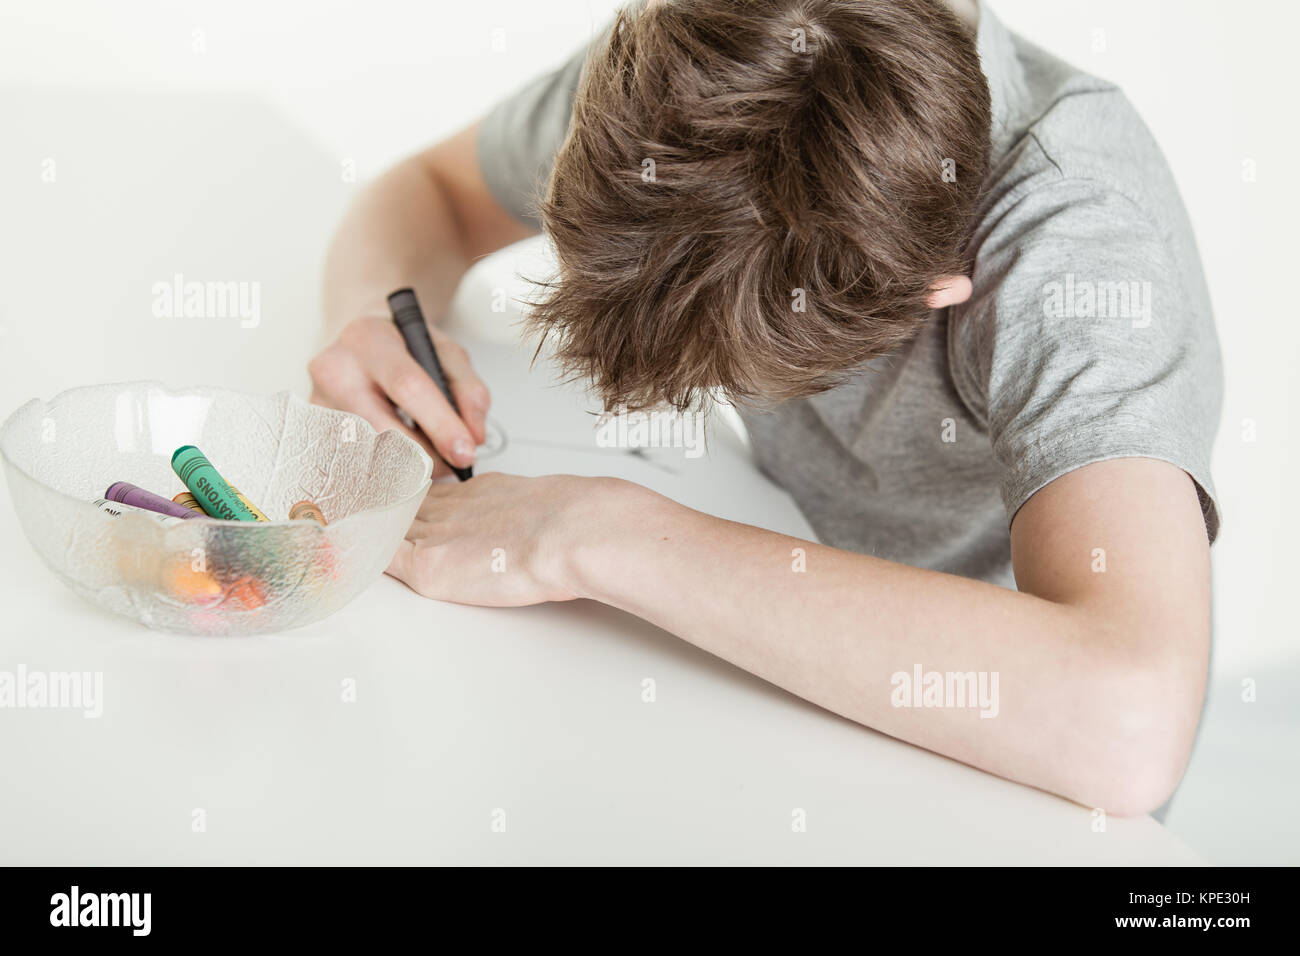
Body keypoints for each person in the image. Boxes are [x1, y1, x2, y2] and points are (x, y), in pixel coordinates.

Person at [308, 0, 1222, 817]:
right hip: (753, 653)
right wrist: (374, 317)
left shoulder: (1077, 237)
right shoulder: (706, 75)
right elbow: (431, 191)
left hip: (994, 751)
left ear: (937, 293)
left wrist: (595, 534)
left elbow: (1127, 722)